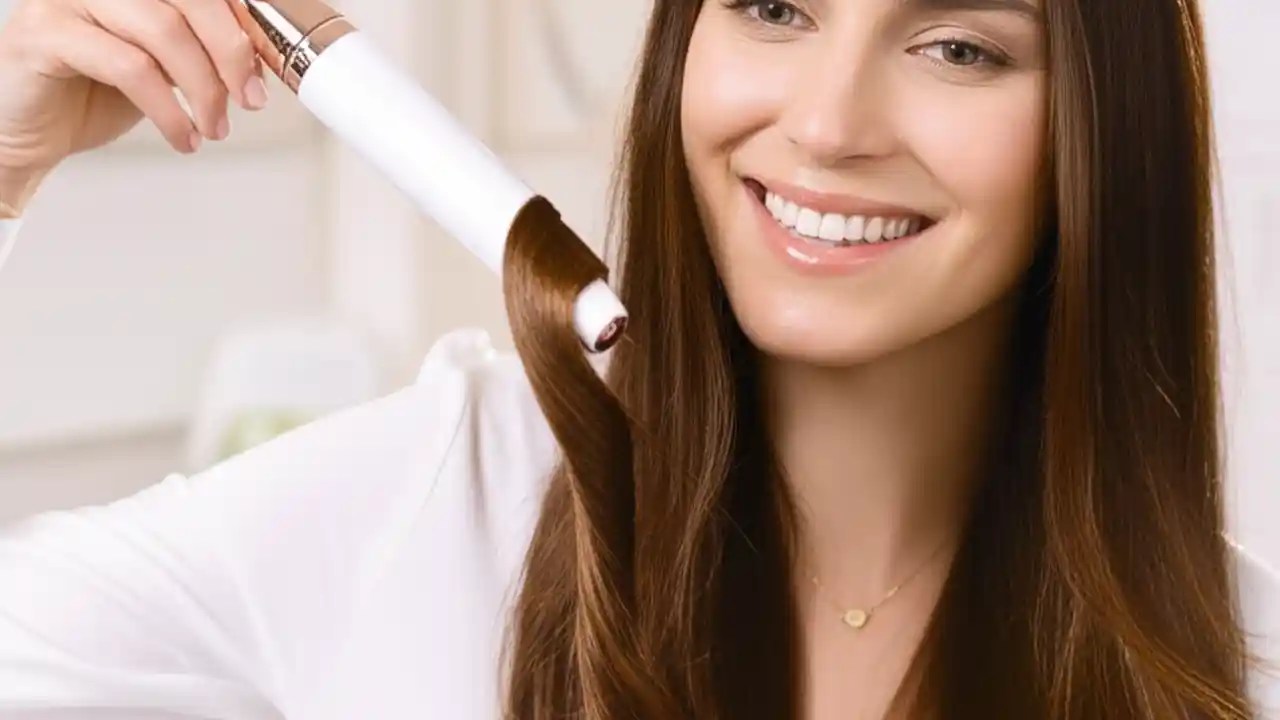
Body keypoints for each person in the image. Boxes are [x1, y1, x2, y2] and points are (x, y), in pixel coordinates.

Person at [0, 0, 1277, 717]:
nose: (826, 125)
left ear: (1101, 135)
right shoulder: (446, 498)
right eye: (773, 7)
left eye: (957, 48)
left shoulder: (1235, 661)